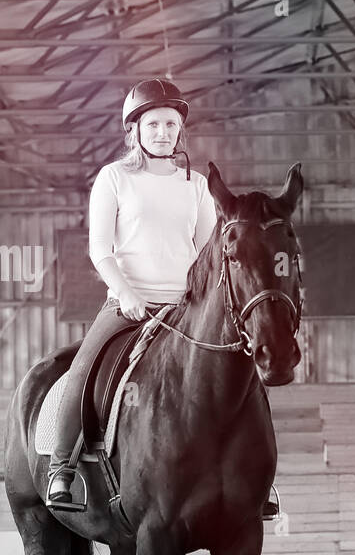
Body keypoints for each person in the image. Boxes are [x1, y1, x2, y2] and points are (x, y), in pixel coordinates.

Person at [46, 78, 279, 520]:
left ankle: (264, 480)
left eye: (170, 124)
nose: (163, 132)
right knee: (83, 370)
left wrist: (204, 302)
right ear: (134, 129)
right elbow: (101, 249)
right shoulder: (114, 178)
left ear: (179, 131)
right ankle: (63, 467)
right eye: (153, 124)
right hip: (127, 304)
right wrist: (127, 293)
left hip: (185, 308)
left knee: (244, 377)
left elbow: (207, 251)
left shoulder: (194, 184)